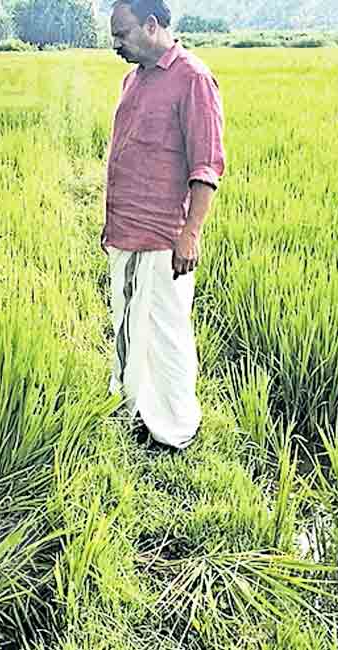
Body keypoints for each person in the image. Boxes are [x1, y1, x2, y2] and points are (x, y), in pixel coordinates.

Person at [102, 0, 226, 451]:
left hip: (162, 235)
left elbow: (206, 166)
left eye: (123, 33)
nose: (115, 44)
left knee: (166, 332)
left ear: (152, 25)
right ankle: (135, 408)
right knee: (128, 323)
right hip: (125, 229)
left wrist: (190, 232)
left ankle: (175, 429)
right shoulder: (132, 79)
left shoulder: (193, 79)